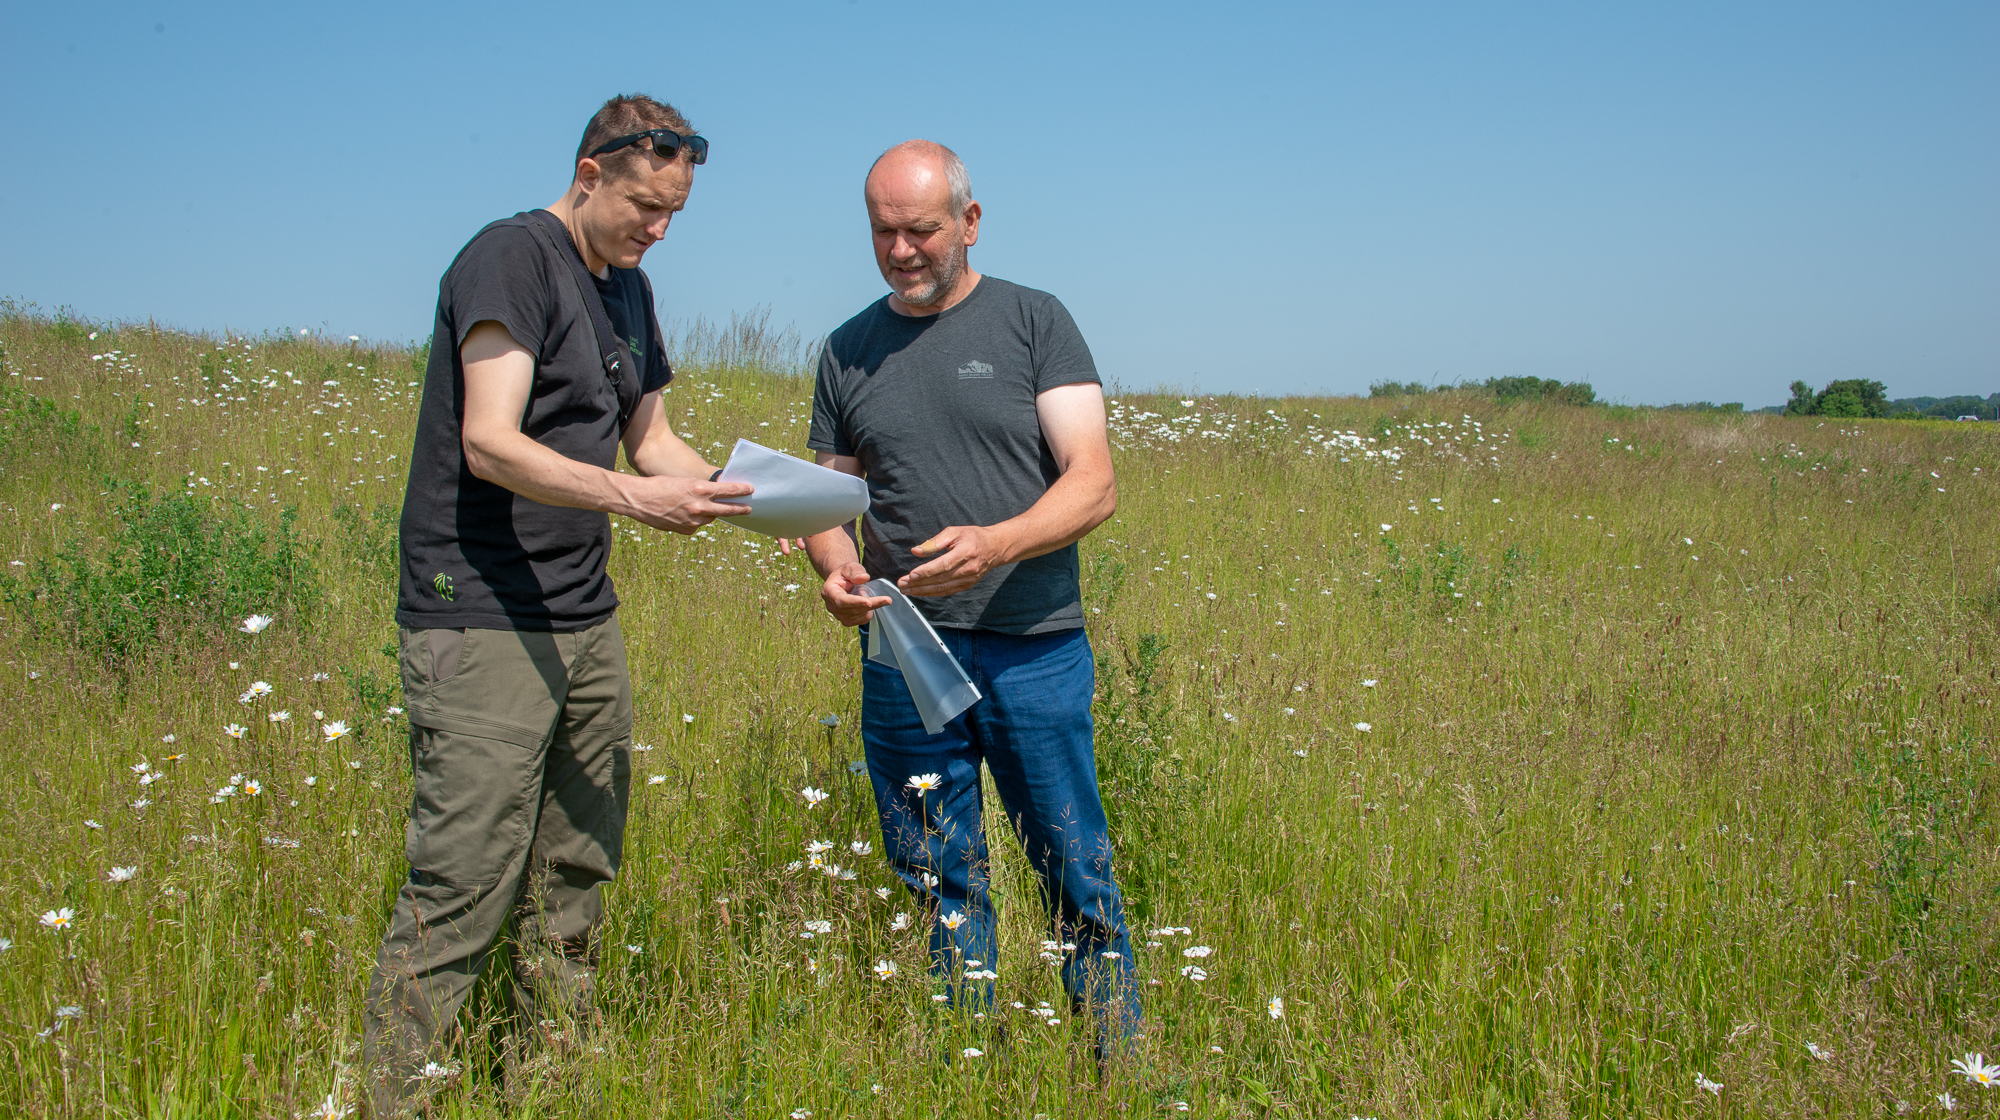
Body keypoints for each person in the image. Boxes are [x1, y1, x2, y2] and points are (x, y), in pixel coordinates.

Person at [364, 94, 751, 1115]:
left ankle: (550, 1084)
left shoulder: (628, 289)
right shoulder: (511, 258)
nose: (655, 230)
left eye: (672, 215)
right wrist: (636, 496)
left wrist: (766, 507)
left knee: (577, 867)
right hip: (480, 609)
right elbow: (490, 438)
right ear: (590, 171)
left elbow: (653, 441)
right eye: (641, 206)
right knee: (462, 879)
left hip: (584, 616)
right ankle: (396, 1097)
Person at [801, 140, 1140, 1048]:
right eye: (884, 233)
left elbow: (1093, 482)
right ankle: (961, 1061)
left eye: (921, 230)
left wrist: (995, 546)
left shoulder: (1035, 322)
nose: (902, 250)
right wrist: (833, 566)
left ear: (970, 222)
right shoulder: (846, 350)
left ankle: (1116, 1062)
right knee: (932, 873)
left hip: (1032, 645)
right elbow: (828, 503)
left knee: (1073, 863)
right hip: (905, 648)